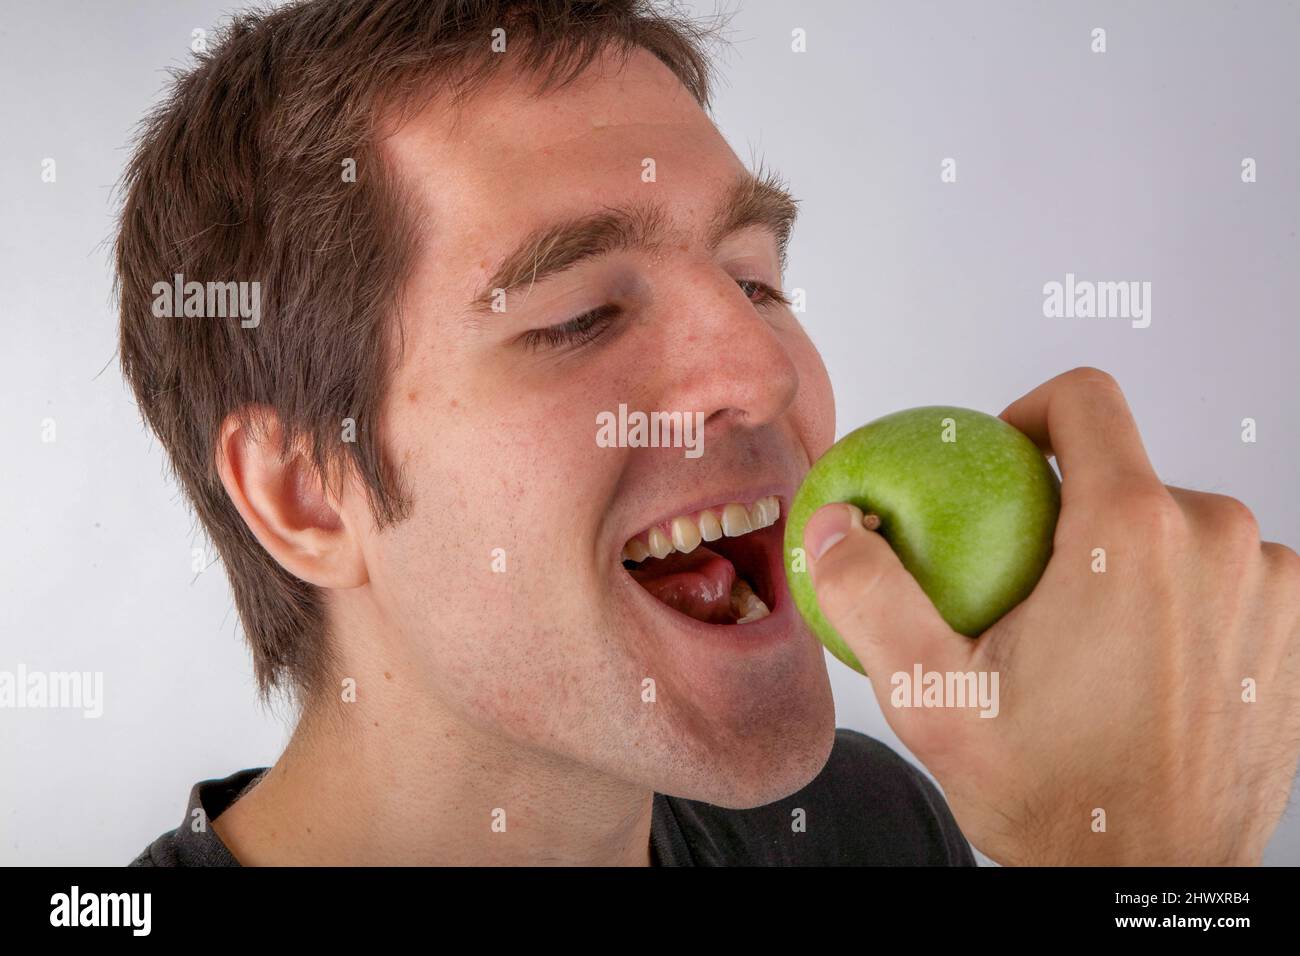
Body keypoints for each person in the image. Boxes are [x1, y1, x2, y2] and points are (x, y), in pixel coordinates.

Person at [120, 0, 1299, 867]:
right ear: (306, 493)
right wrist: (1152, 869)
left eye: (755, 281)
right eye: (580, 315)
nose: (761, 371)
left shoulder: (864, 827)